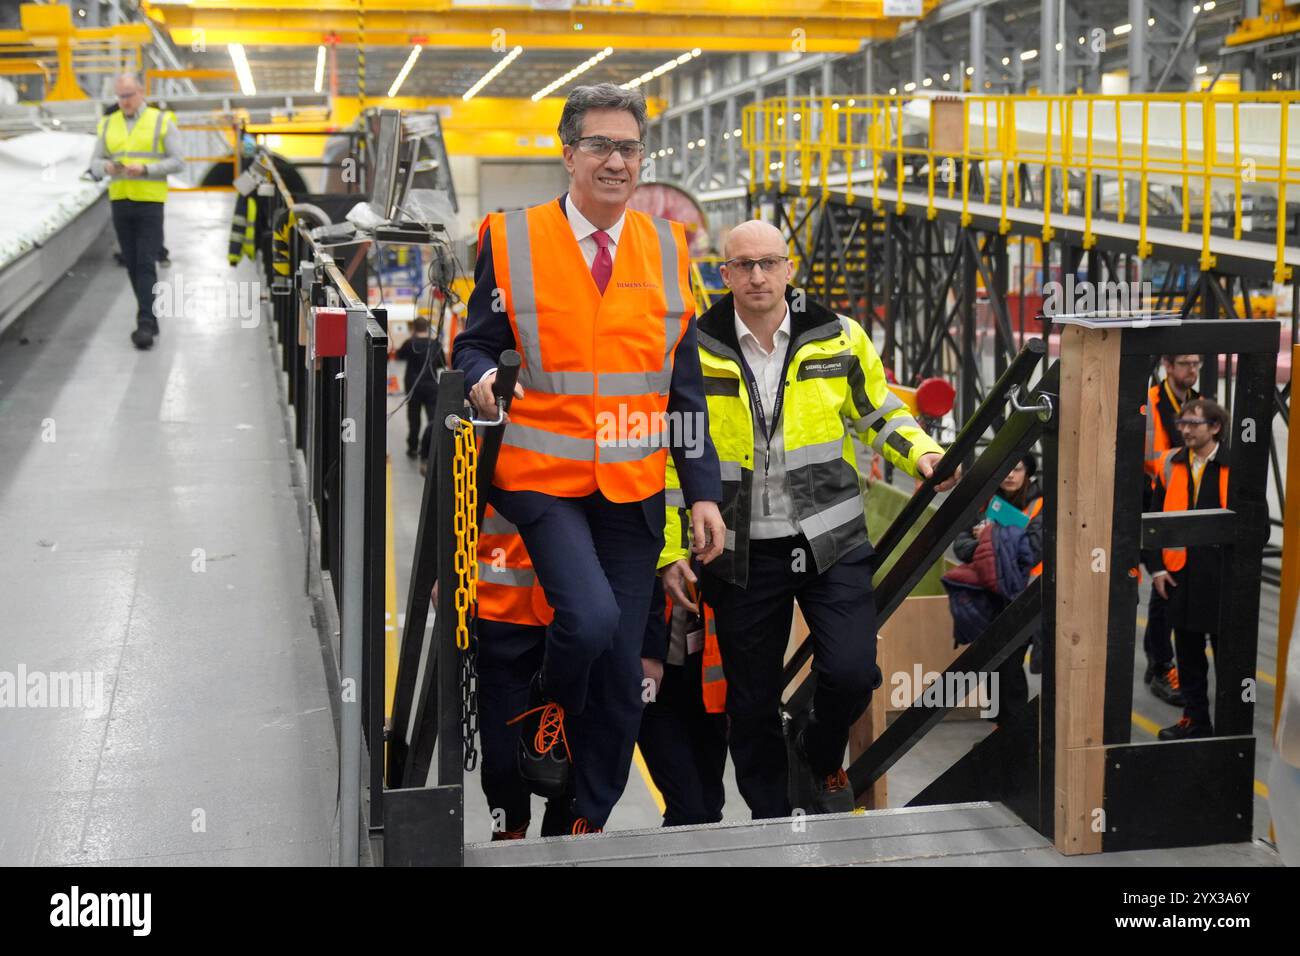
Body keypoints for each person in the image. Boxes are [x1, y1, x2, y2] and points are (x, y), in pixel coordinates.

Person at [452, 83, 726, 835]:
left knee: (616, 683)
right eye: (600, 145)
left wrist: (701, 491)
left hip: (632, 489)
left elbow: (686, 387)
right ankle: (542, 710)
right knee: (592, 617)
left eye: (629, 147)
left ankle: (582, 818)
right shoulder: (510, 238)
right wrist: (480, 376)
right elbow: (476, 339)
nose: (616, 160)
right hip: (543, 480)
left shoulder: (669, 251)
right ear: (568, 154)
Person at [658, 220, 954, 819]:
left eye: (769, 262)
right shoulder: (694, 347)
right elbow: (674, 451)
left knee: (850, 670)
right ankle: (769, 814)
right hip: (738, 552)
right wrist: (672, 549)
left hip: (830, 539)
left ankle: (820, 755)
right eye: (744, 265)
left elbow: (877, 411)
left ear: (790, 268)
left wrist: (922, 451)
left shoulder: (836, 336)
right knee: (752, 701)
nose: (758, 275)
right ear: (726, 274)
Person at [473, 506, 574, 839]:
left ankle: (562, 850)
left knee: (573, 767)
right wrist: (443, 566)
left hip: (576, 621)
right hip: (502, 613)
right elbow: (456, 494)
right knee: (502, 764)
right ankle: (507, 832)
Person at [1144, 398, 1231, 740]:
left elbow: (1256, 527)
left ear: (1215, 427)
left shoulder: (1235, 466)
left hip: (1220, 579)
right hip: (1179, 578)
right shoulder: (1170, 463)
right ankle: (1195, 721)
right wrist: (1156, 570)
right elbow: (1152, 522)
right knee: (1189, 656)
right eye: (1182, 423)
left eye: (1193, 423)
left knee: (1229, 658)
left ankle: (1231, 724)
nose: (1184, 429)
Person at [944, 451, 1043, 720]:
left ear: (1029, 473)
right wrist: (996, 542)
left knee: (1009, 665)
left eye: (1018, 469)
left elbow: (1031, 552)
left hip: (1026, 597)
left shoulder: (1041, 505)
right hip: (989, 598)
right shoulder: (984, 502)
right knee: (991, 663)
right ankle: (1000, 727)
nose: (1010, 475)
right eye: (1007, 469)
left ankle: (1013, 734)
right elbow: (961, 545)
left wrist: (989, 535)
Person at [90, 74, 183, 350]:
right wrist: (105, 167)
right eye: (120, 97)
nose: (124, 101)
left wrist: (146, 169)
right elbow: (94, 163)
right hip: (120, 200)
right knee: (131, 262)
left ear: (141, 93)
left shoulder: (161, 120)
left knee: (145, 262)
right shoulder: (108, 123)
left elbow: (178, 161)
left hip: (150, 201)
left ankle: (145, 323)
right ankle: (148, 317)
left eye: (129, 95)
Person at [635, 575, 729, 827]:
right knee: (688, 809)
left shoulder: (722, 542)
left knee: (710, 807)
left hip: (709, 690)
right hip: (655, 690)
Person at [1141, 354, 1202, 707]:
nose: (1191, 371)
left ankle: (1166, 661)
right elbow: (1150, 457)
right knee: (1162, 584)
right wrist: (1185, 457)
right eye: (1185, 364)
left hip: (1185, 498)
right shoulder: (1150, 402)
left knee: (1173, 582)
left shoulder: (1199, 399)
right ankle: (1161, 665)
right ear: (1167, 365)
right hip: (1153, 497)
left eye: (1196, 364)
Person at [395, 317, 444, 468]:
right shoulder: (435, 344)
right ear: (428, 327)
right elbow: (442, 363)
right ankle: (431, 448)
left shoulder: (410, 343)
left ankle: (413, 447)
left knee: (414, 418)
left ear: (414, 328)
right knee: (433, 419)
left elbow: (398, 356)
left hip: (414, 386)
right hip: (431, 386)